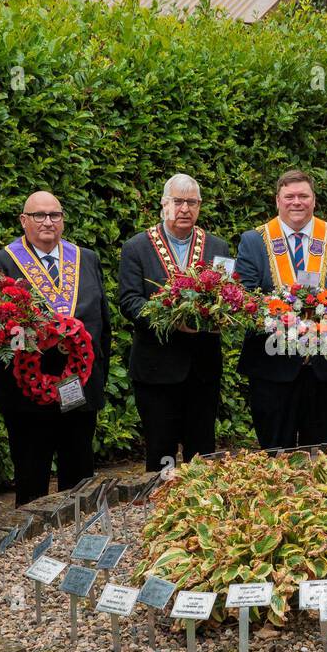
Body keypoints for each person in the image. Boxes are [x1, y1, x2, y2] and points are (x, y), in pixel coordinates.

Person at [0, 191, 111, 505]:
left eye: (55, 215)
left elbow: (102, 323)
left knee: (80, 481)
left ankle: (78, 543)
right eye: (39, 215)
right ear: (23, 220)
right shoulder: (2, 261)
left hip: (79, 389)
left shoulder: (87, 258)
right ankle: (28, 549)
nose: (48, 222)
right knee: (31, 482)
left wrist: (98, 378)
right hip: (27, 392)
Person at [236, 169, 327, 448]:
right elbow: (244, 296)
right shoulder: (253, 240)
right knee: (275, 458)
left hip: (326, 368)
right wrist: (277, 318)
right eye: (289, 196)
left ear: (314, 200)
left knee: (321, 459)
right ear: (277, 201)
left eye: (303, 196)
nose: (297, 202)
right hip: (273, 368)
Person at [118, 174, 233, 471]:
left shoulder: (217, 247)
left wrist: (224, 313)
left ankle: (201, 511)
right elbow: (129, 301)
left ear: (200, 206)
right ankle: (159, 510)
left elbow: (227, 294)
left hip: (202, 369)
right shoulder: (137, 247)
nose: (185, 209)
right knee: (160, 451)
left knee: (202, 453)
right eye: (178, 201)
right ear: (164, 204)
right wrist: (169, 320)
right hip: (156, 369)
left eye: (191, 202)